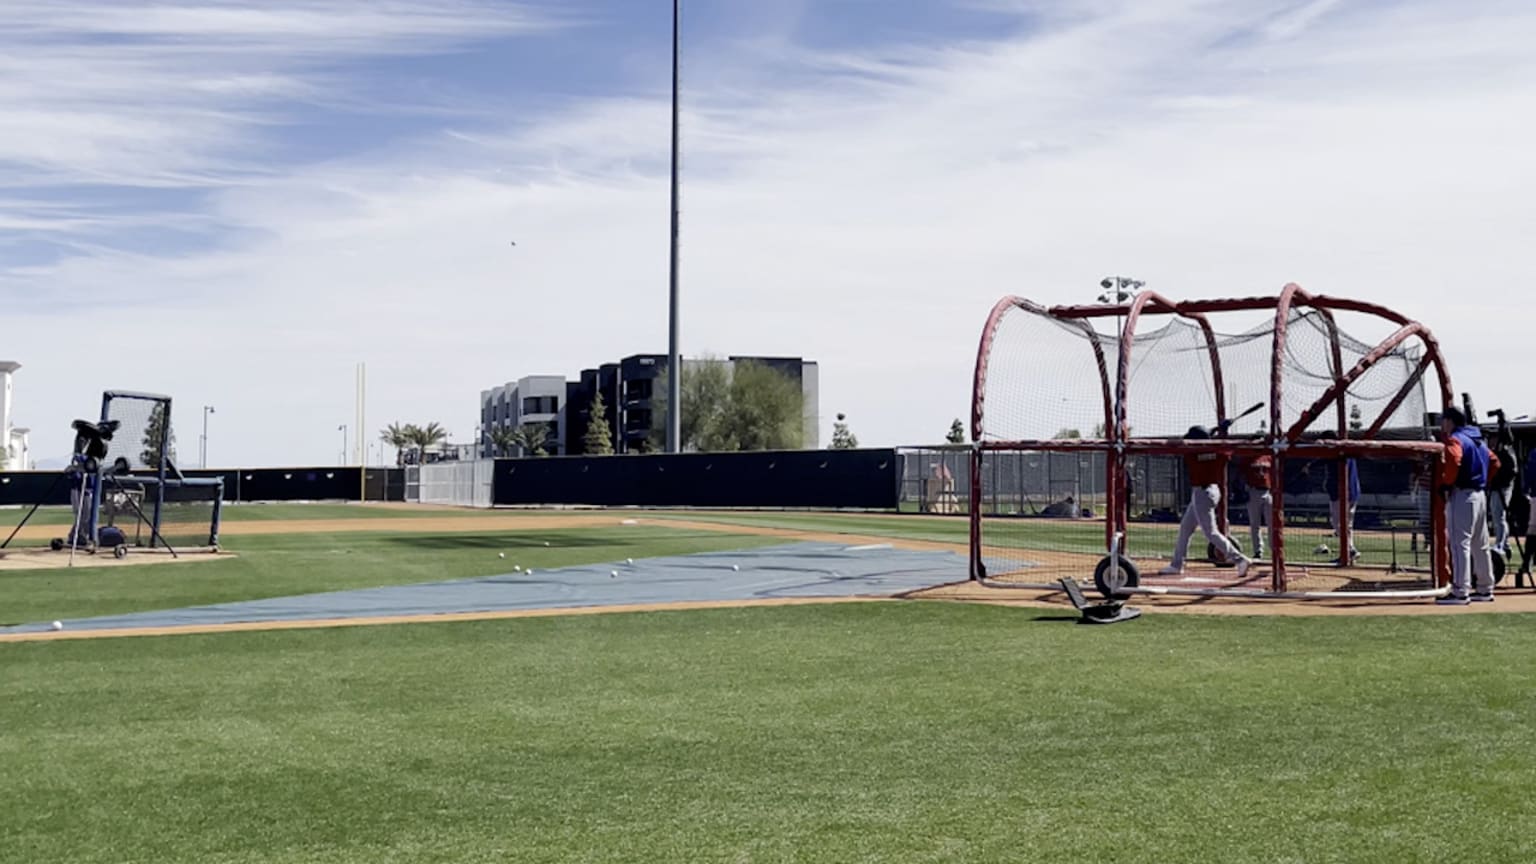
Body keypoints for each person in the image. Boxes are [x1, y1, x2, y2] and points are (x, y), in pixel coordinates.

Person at [1160, 425, 1252, 578]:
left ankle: (1239, 559)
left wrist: (1213, 435)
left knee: (1211, 532)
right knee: (1186, 528)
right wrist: (1222, 433)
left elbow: (1185, 446)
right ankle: (1177, 564)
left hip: (1201, 493)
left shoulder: (1192, 453)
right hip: (1212, 490)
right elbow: (1224, 450)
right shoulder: (1217, 451)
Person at [1436, 406, 1495, 605]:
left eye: (1443, 421)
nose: (1442, 425)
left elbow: (1454, 459)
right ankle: (1485, 588)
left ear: (1449, 421)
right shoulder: (1478, 439)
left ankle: (1461, 591)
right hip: (1480, 495)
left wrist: (1447, 483)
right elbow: (1495, 462)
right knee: (1481, 545)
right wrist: (1483, 480)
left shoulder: (1456, 439)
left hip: (1462, 495)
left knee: (1459, 543)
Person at [1241, 453, 1273, 560]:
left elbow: (1273, 473)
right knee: (1255, 523)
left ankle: (1274, 549)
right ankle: (1258, 551)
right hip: (1253, 490)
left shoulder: (1268, 456)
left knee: (1272, 523)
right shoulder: (1248, 457)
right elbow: (1242, 473)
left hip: (1267, 491)